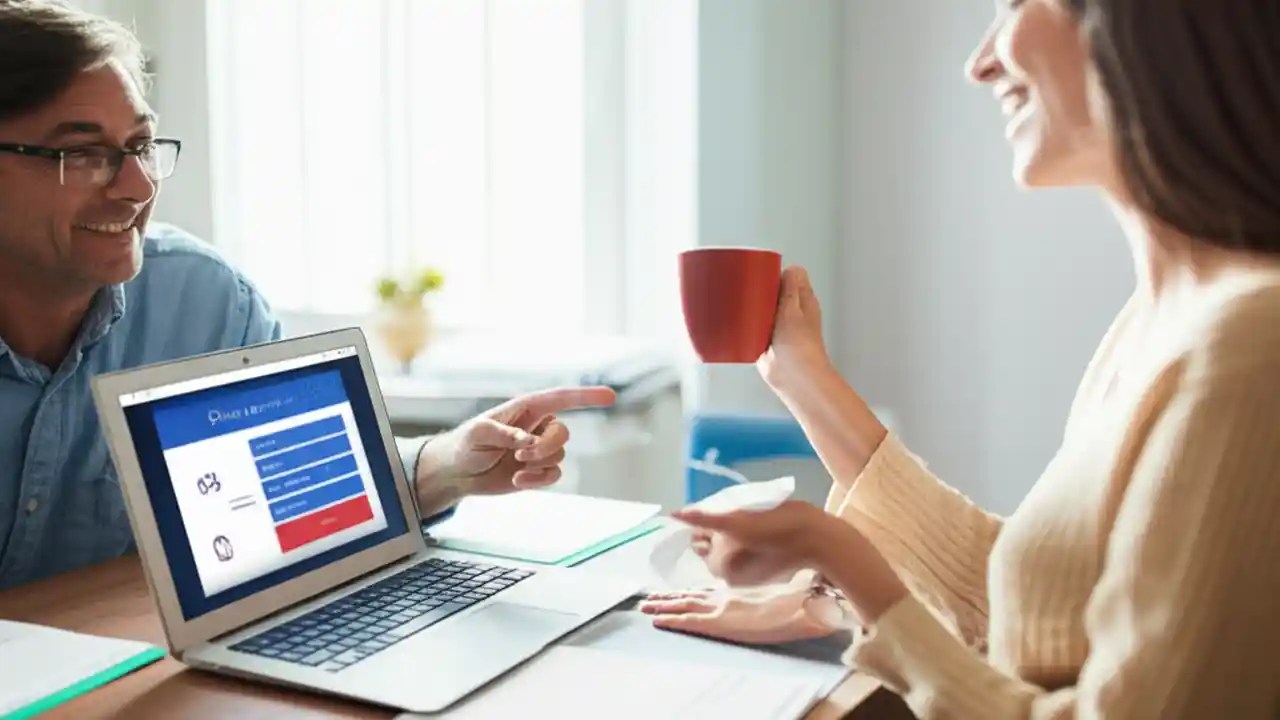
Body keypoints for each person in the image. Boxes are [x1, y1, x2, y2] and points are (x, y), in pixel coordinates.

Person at [642, 0, 1280, 717]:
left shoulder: (1250, 349)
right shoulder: (1159, 320)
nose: (980, 64)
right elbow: (1039, 606)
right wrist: (804, 383)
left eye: (1014, 5)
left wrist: (837, 554)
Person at [0, 0, 613, 590]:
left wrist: (450, 463)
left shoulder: (207, 302)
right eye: (80, 154)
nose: (136, 185)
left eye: (139, 146)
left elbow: (306, 483)